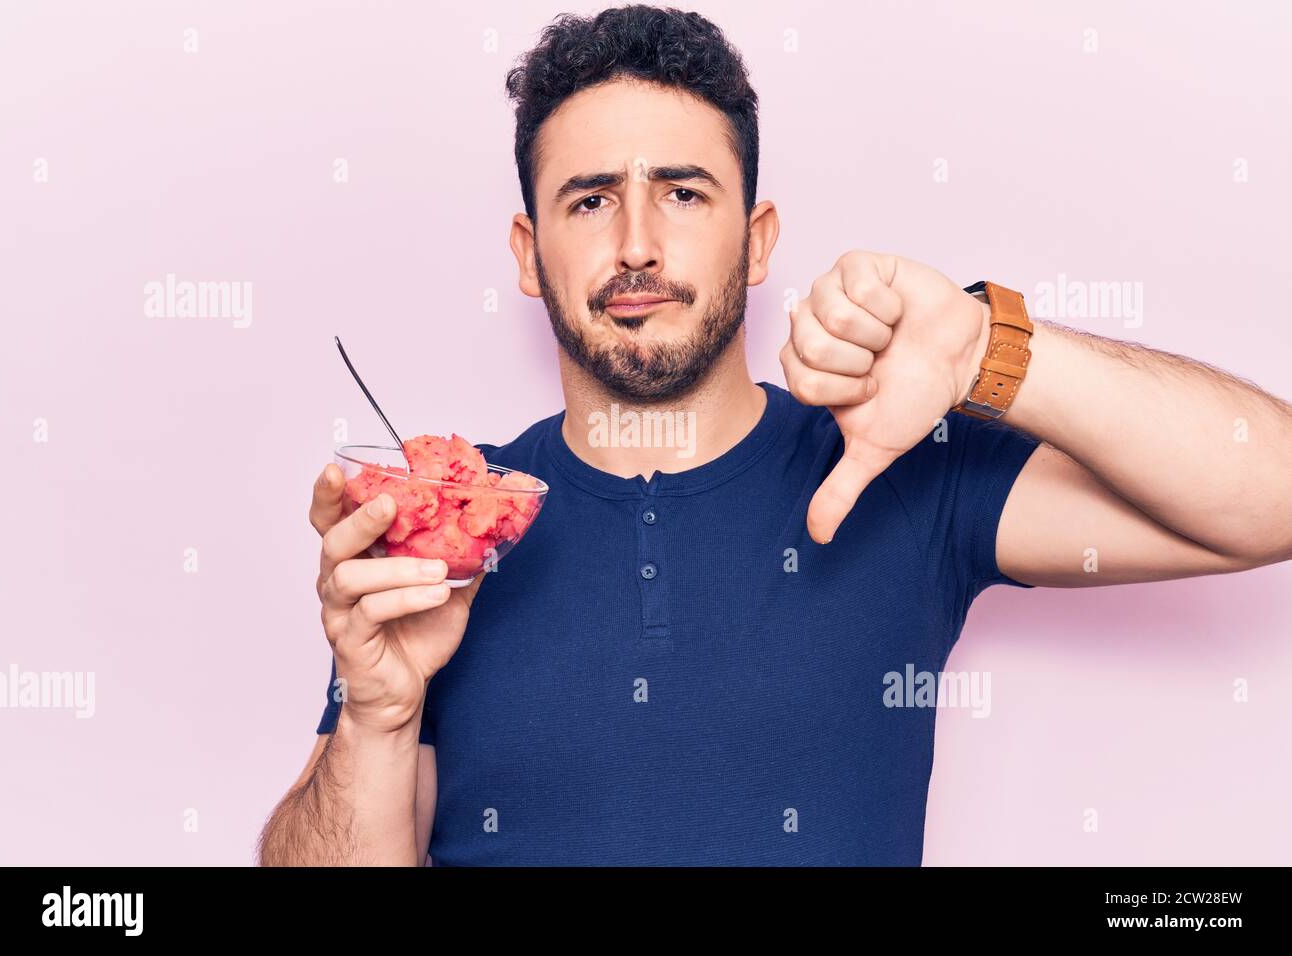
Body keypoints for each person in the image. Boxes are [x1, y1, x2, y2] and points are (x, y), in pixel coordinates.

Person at [257, 5, 1292, 866]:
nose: (635, 245)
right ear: (529, 253)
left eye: (681, 191)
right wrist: (377, 713)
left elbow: (1271, 494)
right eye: (589, 199)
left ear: (755, 241)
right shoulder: (453, 532)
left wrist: (988, 346)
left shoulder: (892, 470)